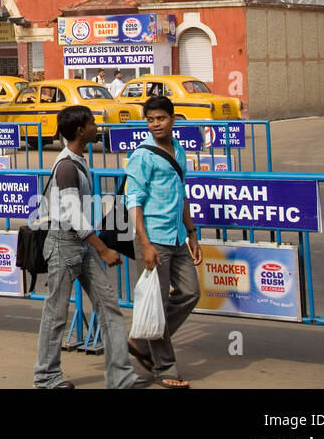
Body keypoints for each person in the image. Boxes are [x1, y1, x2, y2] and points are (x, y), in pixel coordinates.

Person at [33, 105, 149, 389]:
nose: (97, 126)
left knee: (108, 307)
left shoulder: (78, 160)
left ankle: (120, 378)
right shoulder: (67, 166)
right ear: (80, 130)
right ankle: (46, 377)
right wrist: (102, 248)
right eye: (92, 123)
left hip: (80, 246)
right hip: (65, 245)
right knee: (56, 314)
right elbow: (73, 215)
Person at [125, 95, 202, 389]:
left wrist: (192, 232)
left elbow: (181, 195)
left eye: (161, 118)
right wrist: (144, 243)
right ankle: (164, 366)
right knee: (156, 303)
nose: (156, 124)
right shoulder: (142, 155)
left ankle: (142, 339)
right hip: (153, 238)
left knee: (190, 293)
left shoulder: (178, 151)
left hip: (177, 236)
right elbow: (134, 200)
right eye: (150, 119)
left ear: (172, 119)